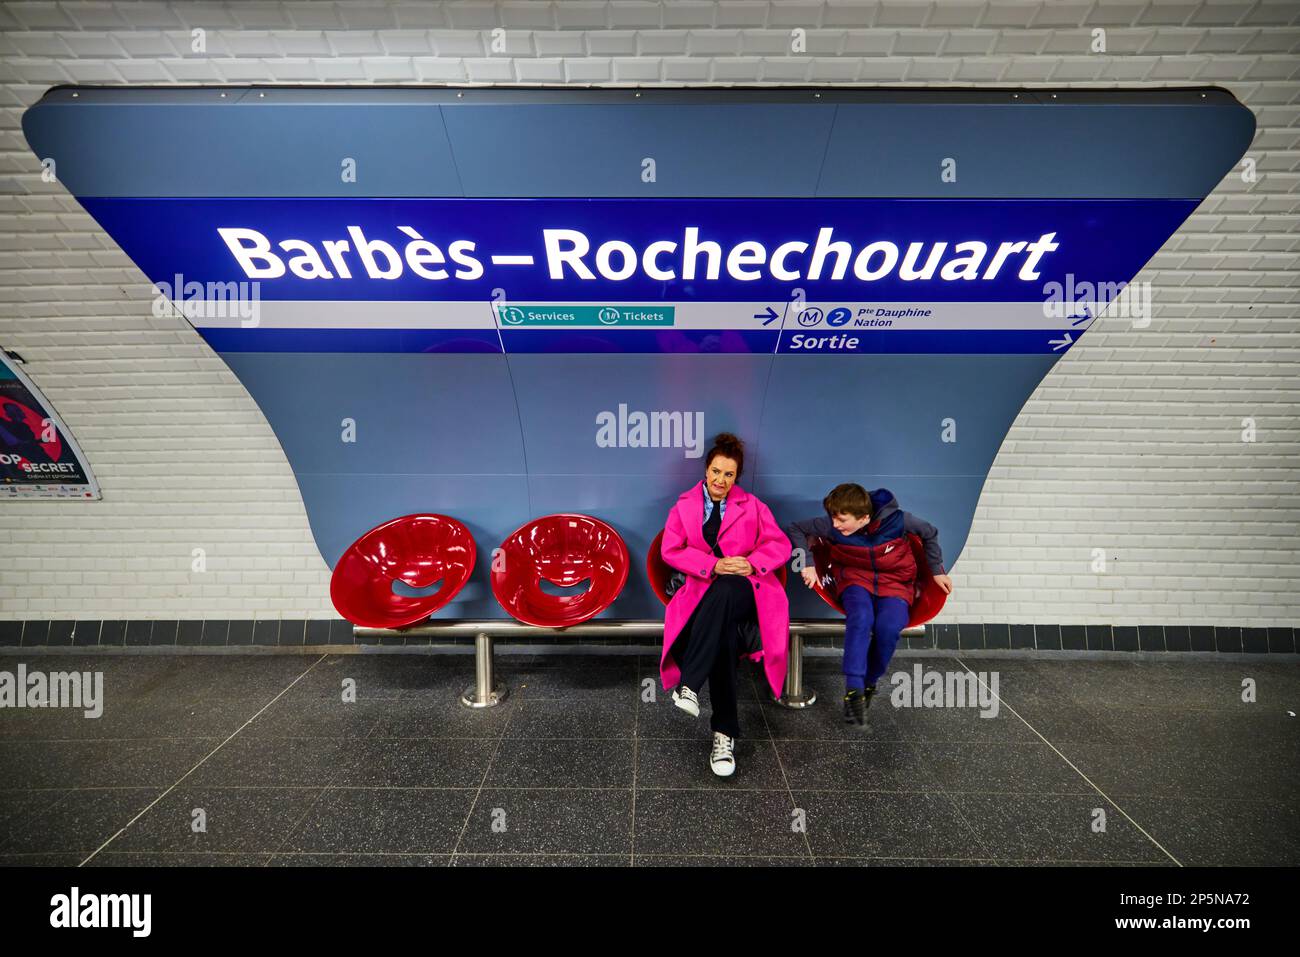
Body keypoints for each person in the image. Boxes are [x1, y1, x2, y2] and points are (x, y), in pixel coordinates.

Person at [659, 433, 791, 777]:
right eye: (716, 472)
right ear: (706, 470)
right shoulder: (683, 506)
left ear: (737, 477)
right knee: (724, 638)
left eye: (728, 475)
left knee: (729, 590)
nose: (721, 481)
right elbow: (669, 550)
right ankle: (724, 735)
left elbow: (780, 545)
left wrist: (752, 563)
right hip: (703, 591)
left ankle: (689, 685)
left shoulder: (754, 507)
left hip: (749, 590)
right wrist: (711, 565)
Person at [784, 484, 953, 726]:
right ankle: (853, 690)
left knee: (889, 627)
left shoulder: (899, 521)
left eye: (841, 520)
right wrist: (807, 563)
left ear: (864, 518)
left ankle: (869, 682)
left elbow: (930, 533)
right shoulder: (832, 526)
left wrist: (937, 571)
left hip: (895, 582)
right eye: (833, 517)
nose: (835, 525)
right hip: (854, 580)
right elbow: (796, 528)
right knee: (861, 618)